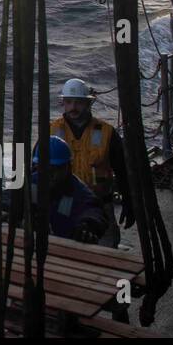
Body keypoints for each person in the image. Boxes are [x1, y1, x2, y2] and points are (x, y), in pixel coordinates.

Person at [51, 78, 135, 246]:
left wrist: (129, 201)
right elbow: (36, 171)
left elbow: (123, 170)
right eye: (69, 102)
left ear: (89, 103)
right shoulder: (52, 131)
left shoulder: (107, 133)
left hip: (99, 201)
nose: (73, 107)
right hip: (65, 201)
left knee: (106, 245)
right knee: (64, 243)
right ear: (63, 103)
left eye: (78, 102)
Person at [18, 136, 107, 243]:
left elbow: (93, 211)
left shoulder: (78, 192)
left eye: (55, 169)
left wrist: (87, 226)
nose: (49, 174)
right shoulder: (31, 182)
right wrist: (4, 208)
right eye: (45, 168)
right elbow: (9, 196)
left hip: (65, 247)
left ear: (67, 167)